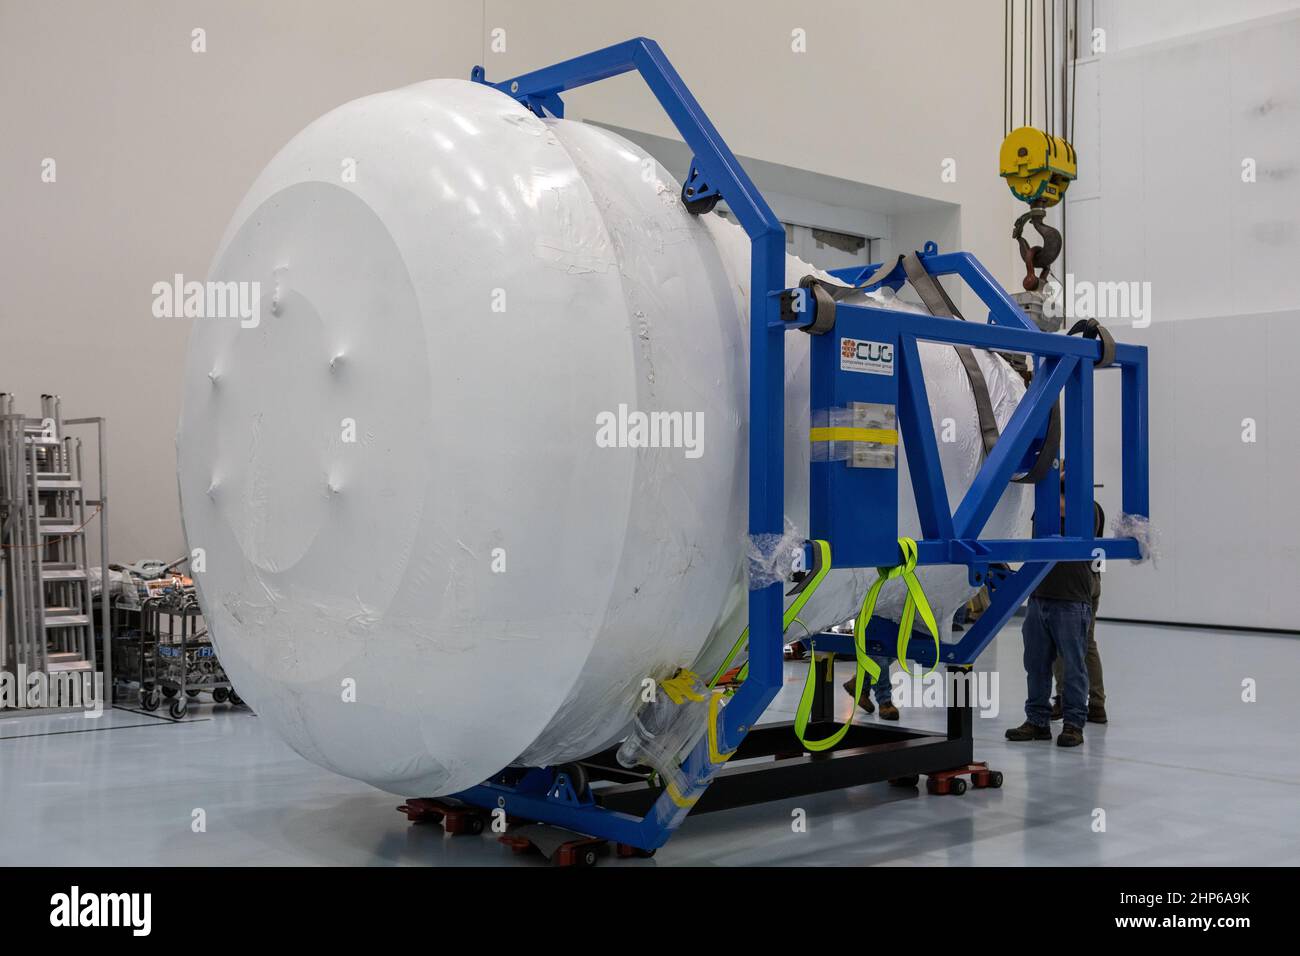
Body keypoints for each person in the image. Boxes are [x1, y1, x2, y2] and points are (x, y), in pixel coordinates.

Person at [1006, 487, 1104, 748]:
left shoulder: (1088, 508)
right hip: (1039, 596)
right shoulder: (1044, 508)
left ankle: (1074, 724)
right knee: (1035, 665)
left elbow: (1065, 510)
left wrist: (1055, 482)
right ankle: (1037, 720)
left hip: (1072, 597)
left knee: (1073, 666)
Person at [1051, 572, 1106, 723]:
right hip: (1093, 577)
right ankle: (1097, 703)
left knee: (1059, 638)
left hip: (1074, 581)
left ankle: (1063, 698)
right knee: (1088, 641)